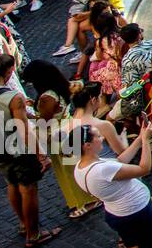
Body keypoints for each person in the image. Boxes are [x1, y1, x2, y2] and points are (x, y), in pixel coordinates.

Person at [0, 53, 60, 248]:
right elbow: (24, 132)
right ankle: (34, 235)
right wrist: (42, 156)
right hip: (18, 149)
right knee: (28, 188)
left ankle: (24, 225)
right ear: (8, 72)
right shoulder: (13, 98)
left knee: (12, 183)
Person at [33, 91, 101, 220]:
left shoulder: (47, 96)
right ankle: (78, 200)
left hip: (60, 134)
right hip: (63, 130)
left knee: (71, 170)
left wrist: (30, 115)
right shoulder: (55, 91)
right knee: (68, 169)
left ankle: (89, 200)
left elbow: (43, 120)